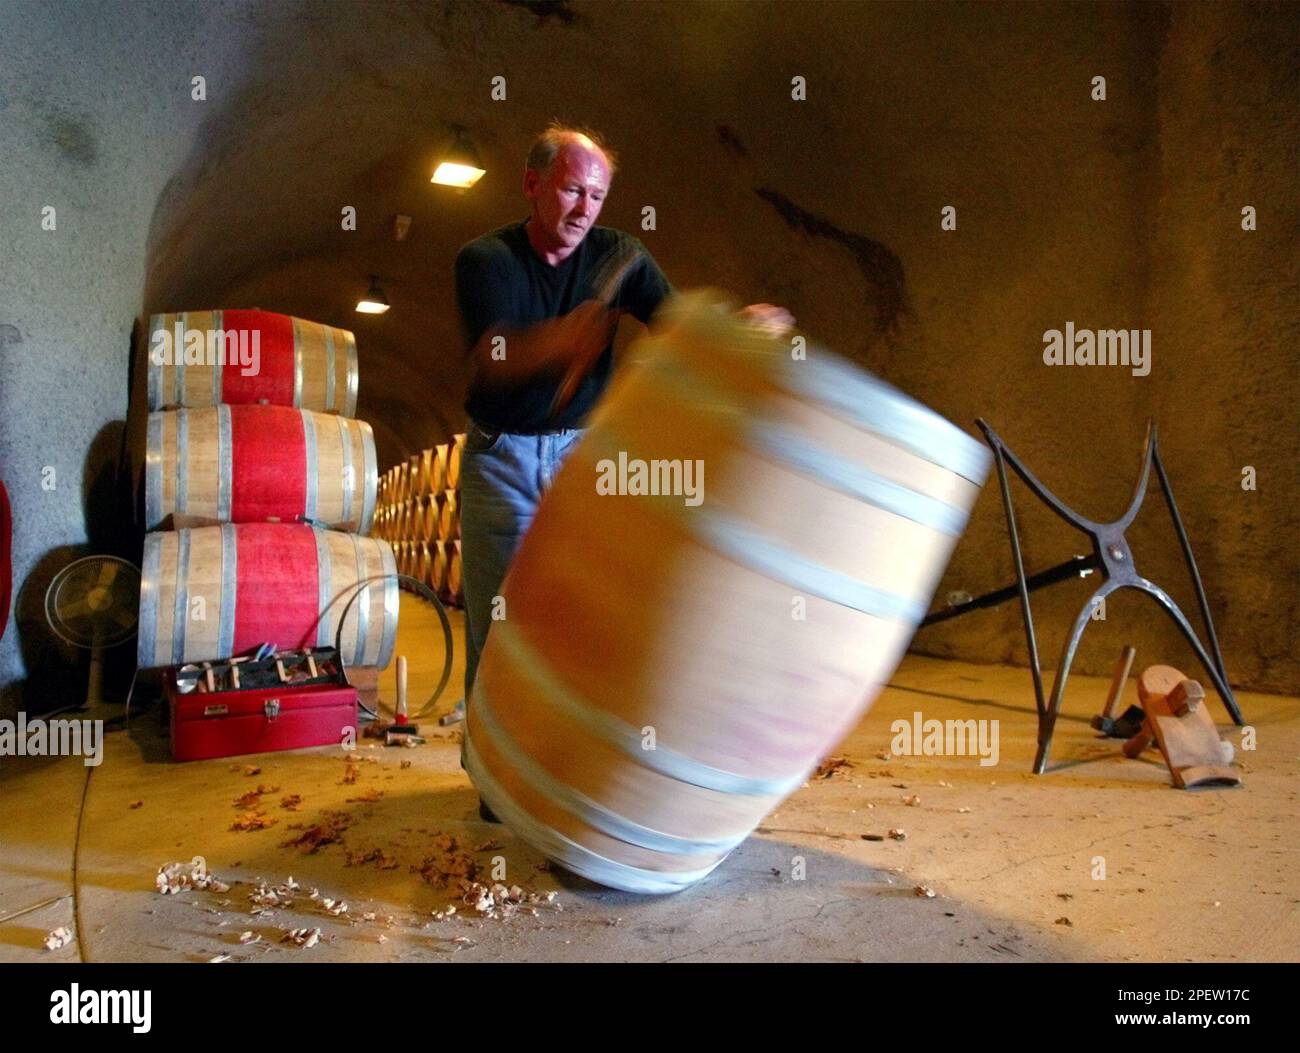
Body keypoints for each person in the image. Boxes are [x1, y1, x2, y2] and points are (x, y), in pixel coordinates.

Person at [454, 123, 791, 820]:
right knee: (500, 620)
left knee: (581, 619)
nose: (585, 207)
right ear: (533, 185)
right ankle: (493, 779)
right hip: (504, 455)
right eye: (574, 188)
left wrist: (736, 330)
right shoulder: (485, 259)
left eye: (598, 194)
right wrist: (560, 339)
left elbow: (674, 326)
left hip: (584, 454)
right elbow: (492, 355)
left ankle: (564, 769)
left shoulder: (622, 256)